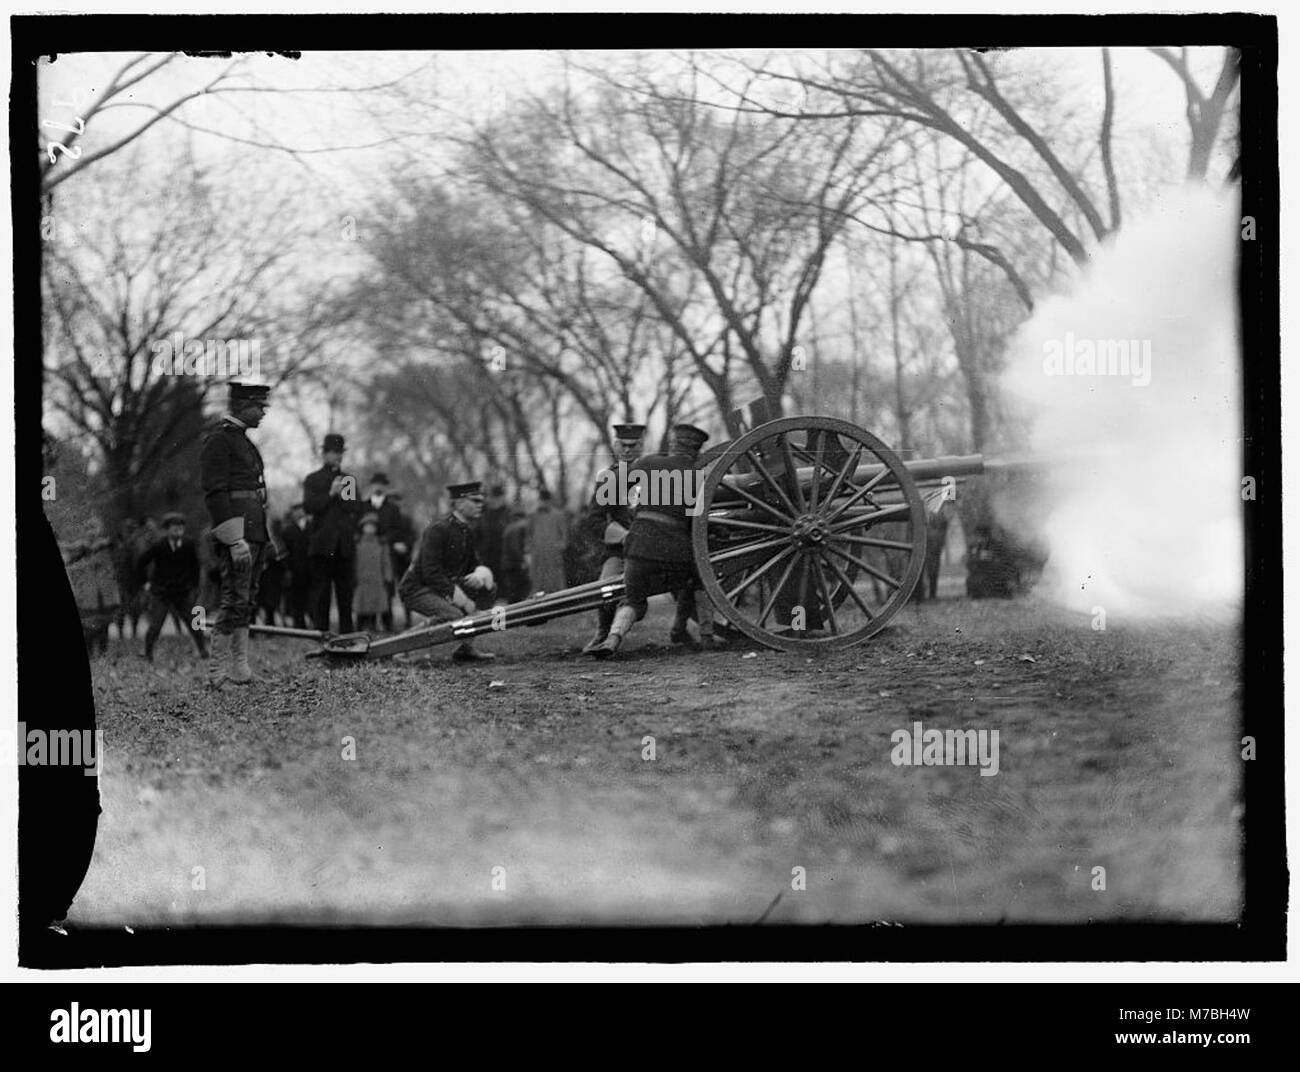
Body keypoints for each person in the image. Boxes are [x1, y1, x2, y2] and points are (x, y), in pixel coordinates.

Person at [590, 423, 715, 658]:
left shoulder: (649, 463)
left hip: (638, 548)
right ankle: (703, 635)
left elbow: (613, 488)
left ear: (672, 444)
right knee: (697, 580)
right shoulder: (699, 477)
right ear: (697, 451)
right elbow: (698, 523)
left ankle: (612, 639)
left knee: (633, 600)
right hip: (677, 553)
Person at [199, 381, 273, 685]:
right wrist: (233, 538)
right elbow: (215, 493)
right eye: (259, 406)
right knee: (233, 599)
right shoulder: (219, 440)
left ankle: (240, 670)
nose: (263, 413)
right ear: (243, 406)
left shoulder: (242, 440)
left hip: (254, 529)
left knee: (247, 599)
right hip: (239, 532)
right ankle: (216, 674)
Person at [397, 481, 497, 662]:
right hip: (416, 589)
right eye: (475, 500)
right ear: (459, 503)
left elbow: (474, 564)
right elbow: (431, 573)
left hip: (440, 586)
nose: (480, 504)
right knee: (453, 615)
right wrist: (463, 600)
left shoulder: (466, 530)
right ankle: (400, 649)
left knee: (488, 588)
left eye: (481, 500)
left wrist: (479, 575)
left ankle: (465, 648)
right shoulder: (439, 529)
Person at [581, 423, 645, 653]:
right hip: (622, 548)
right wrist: (623, 536)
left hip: (653, 549)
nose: (628, 451)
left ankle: (682, 629)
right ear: (616, 446)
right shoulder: (609, 479)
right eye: (623, 446)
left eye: (634, 446)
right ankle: (602, 633)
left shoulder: (655, 474)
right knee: (605, 589)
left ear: (642, 445)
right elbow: (594, 520)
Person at [302, 432, 363, 633]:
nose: (338, 456)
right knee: (321, 594)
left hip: (344, 546)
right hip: (322, 546)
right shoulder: (313, 479)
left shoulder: (348, 480)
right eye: (334, 452)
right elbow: (310, 506)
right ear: (325, 454)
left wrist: (343, 494)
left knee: (345, 594)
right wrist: (330, 494)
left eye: (340, 452)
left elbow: (355, 507)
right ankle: (322, 634)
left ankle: (347, 635)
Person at [137, 511, 208, 661]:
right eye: (174, 527)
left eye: (181, 527)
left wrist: (194, 587)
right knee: (155, 625)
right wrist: (146, 583)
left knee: (195, 622)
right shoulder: (159, 546)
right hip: (161, 592)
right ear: (167, 529)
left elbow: (195, 567)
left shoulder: (189, 544)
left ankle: (203, 650)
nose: (178, 530)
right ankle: (148, 653)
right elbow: (140, 563)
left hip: (183, 592)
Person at [366, 472, 412, 630]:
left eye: (381, 484)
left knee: (387, 587)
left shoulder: (392, 509)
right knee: (370, 585)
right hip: (369, 555)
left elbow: (398, 530)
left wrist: (384, 539)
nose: (378, 487)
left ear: (385, 487)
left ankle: (387, 622)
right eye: (375, 484)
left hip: (387, 553)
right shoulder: (364, 506)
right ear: (371, 486)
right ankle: (370, 622)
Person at [353, 512, 393, 633]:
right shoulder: (357, 543)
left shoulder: (381, 544)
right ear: (362, 527)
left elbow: (386, 561)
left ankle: (374, 626)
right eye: (367, 526)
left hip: (377, 579)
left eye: (372, 526)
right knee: (361, 606)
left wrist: (388, 576)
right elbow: (353, 562)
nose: (370, 529)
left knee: (375, 605)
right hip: (361, 579)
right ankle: (359, 628)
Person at [527, 488, 568, 594]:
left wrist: (558, 548)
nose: (542, 503)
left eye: (545, 501)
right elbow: (529, 535)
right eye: (541, 500)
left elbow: (564, 536)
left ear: (549, 501)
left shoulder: (558, 515)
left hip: (553, 556)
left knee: (556, 585)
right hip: (538, 556)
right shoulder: (533, 515)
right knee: (538, 584)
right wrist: (530, 551)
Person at [280, 503, 312, 629]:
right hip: (295, 570)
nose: (298, 513)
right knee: (296, 599)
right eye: (295, 511)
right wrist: (287, 569)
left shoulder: (312, 527)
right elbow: (285, 551)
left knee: (311, 598)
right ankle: (299, 624)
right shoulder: (287, 531)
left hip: (310, 570)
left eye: (300, 510)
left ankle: (313, 622)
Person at [475, 484, 509, 597]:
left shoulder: (508, 513)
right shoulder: (484, 515)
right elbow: (477, 535)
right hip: (488, 558)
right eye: (494, 497)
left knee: (504, 591)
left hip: (505, 557)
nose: (495, 500)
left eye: (498, 497)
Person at [500, 508, 531, 604]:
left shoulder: (509, 528)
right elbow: (515, 548)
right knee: (519, 589)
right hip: (515, 564)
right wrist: (522, 561)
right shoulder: (517, 528)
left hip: (508, 563)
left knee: (514, 589)